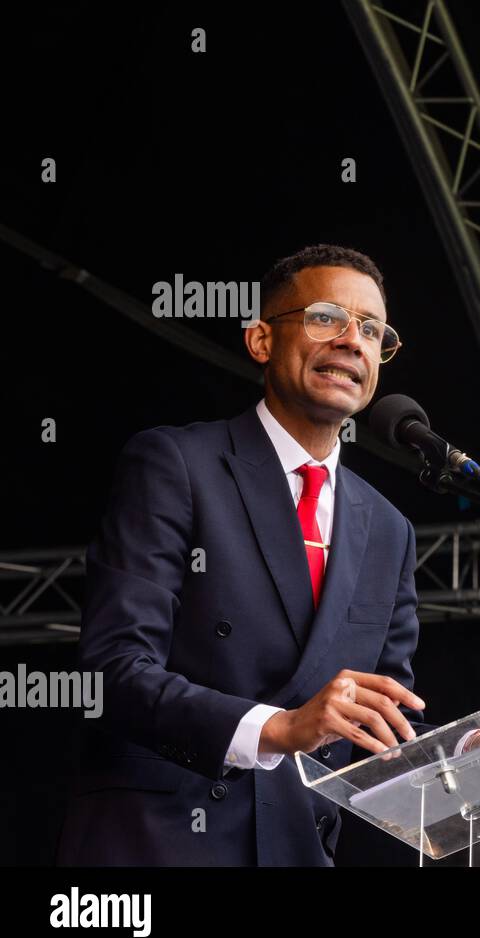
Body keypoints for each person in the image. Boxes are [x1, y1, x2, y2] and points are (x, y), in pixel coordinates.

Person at [57, 244, 426, 865]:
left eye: (371, 330)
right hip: (158, 842)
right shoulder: (177, 463)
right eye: (325, 317)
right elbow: (113, 668)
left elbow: (385, 717)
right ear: (260, 341)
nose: (351, 340)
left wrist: (472, 751)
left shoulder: (390, 529)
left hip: (295, 849)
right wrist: (276, 727)